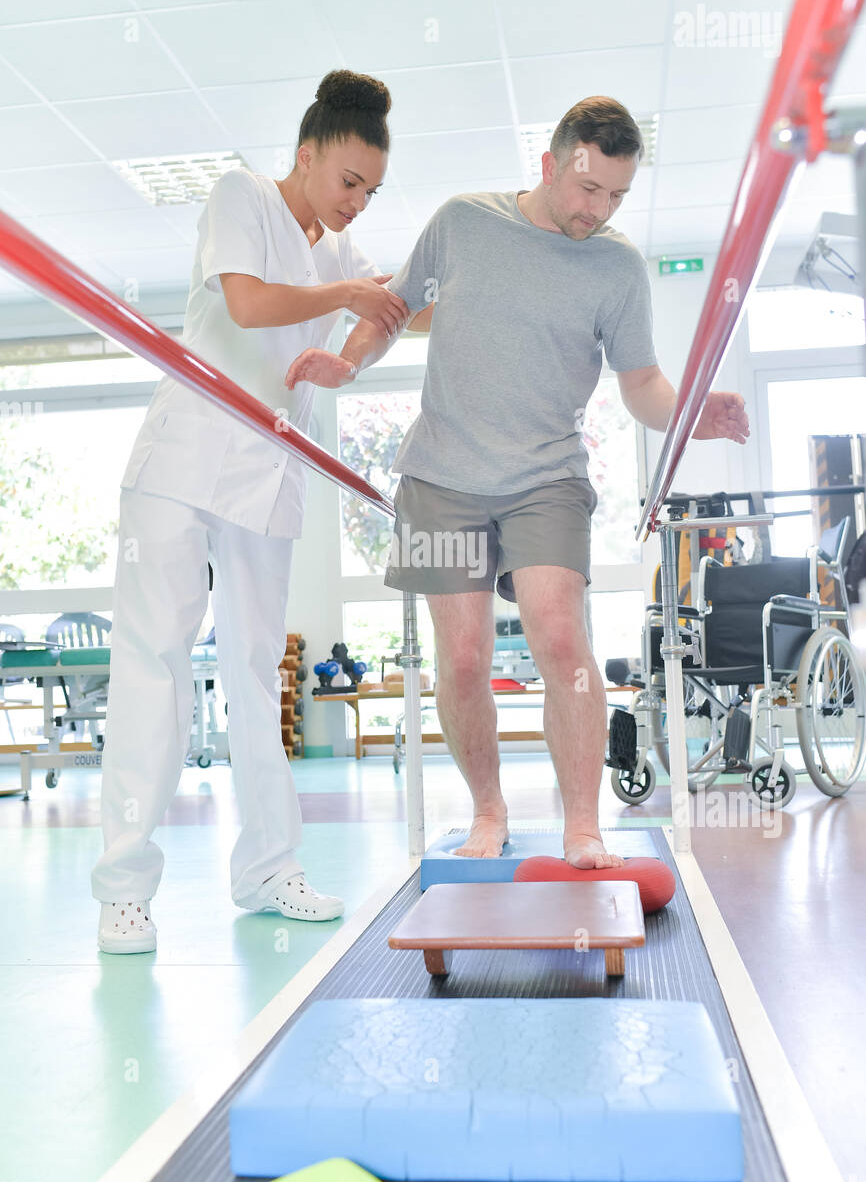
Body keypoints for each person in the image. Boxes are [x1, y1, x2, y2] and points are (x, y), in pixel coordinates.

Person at [286, 95, 749, 869]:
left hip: (546, 475)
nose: (598, 210)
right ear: (549, 163)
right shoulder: (464, 221)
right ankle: (489, 813)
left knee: (562, 638)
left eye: (616, 196)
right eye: (587, 189)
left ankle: (582, 828)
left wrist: (694, 412)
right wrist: (349, 361)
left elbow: (641, 385)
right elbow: (396, 307)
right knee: (461, 658)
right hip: (442, 474)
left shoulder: (618, 266)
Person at [92, 69, 409, 953]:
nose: (357, 202)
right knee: (153, 665)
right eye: (348, 180)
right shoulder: (241, 196)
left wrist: (357, 347)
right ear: (305, 156)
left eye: (372, 190)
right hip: (185, 460)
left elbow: (384, 313)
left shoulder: (341, 257)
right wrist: (349, 301)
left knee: (257, 674)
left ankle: (269, 870)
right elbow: (247, 302)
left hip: (266, 475)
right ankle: (123, 887)